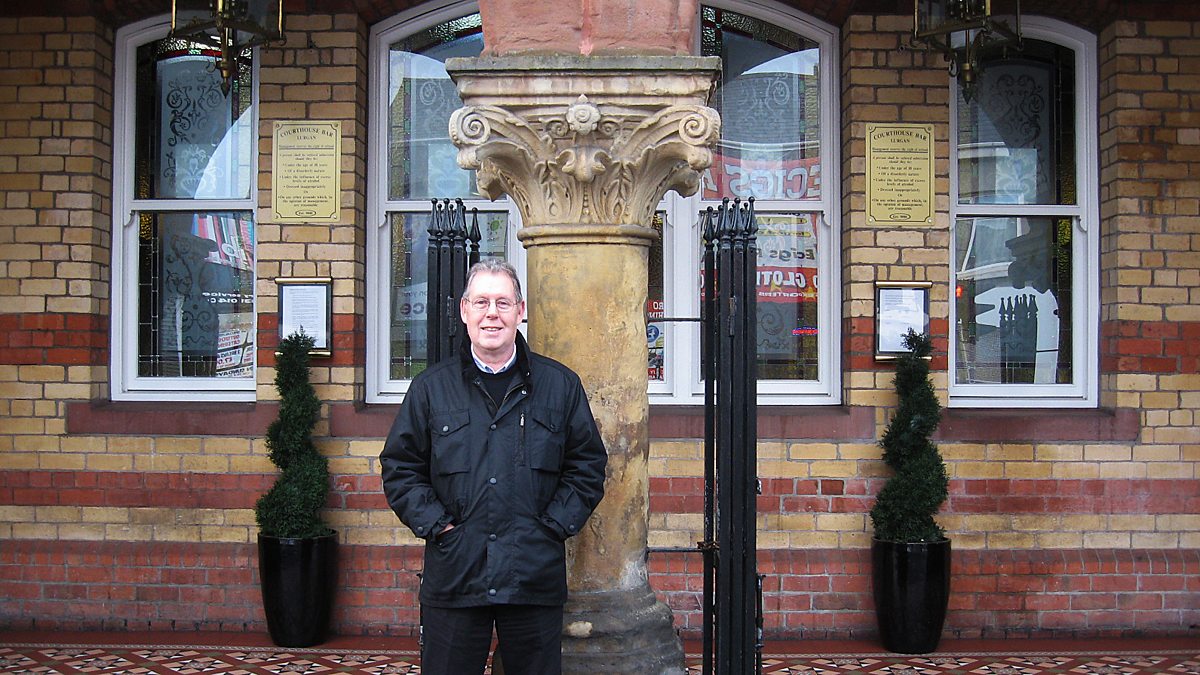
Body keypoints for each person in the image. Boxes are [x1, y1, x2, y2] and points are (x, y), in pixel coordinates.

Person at [380, 259, 607, 675]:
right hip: (456, 574)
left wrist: (552, 527)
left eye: (503, 302)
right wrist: (440, 527)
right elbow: (400, 467)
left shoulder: (560, 386)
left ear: (520, 311)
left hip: (532, 575)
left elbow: (587, 466)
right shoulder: (431, 388)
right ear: (465, 311)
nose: (492, 313)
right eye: (481, 301)